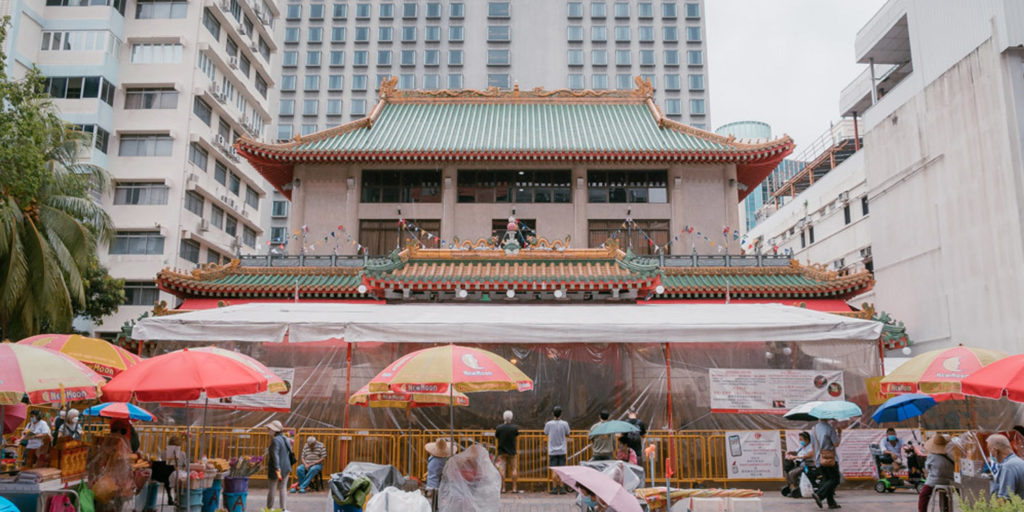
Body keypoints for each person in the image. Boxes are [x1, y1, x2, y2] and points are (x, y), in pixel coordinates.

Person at [918, 434, 954, 512]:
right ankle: (946, 510)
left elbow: (927, 467)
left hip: (935, 480)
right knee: (945, 495)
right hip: (950, 480)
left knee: (924, 495)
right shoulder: (951, 454)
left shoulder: (932, 456)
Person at [811, 418, 841, 509]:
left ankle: (831, 503)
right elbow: (836, 444)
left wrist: (815, 459)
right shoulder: (830, 428)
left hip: (819, 458)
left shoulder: (813, 429)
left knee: (827, 480)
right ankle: (819, 495)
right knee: (835, 479)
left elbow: (813, 445)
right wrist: (839, 434)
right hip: (830, 459)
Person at [987, 433, 1024, 500]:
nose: (990, 454)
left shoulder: (1007, 467)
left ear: (995, 451)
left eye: (989, 450)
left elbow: (1004, 499)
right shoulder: (1019, 461)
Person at [266, 420, 294, 511]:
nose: (269, 430)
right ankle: (283, 508)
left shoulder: (275, 440)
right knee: (283, 488)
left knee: (272, 489)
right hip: (286, 467)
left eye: (270, 429)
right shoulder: (285, 438)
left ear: (274, 430)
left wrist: (277, 467)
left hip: (276, 468)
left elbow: (275, 455)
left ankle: (269, 508)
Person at [544, 405, 571, 495]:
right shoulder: (565, 424)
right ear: (561, 414)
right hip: (562, 450)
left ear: (553, 413)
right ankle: (562, 488)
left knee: (554, 470)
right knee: (562, 470)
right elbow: (568, 433)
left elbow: (546, 432)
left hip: (552, 450)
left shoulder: (549, 424)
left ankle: (555, 488)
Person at [782, 431, 815, 498]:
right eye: (800, 439)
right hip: (798, 464)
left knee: (792, 473)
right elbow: (796, 452)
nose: (800, 441)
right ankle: (791, 486)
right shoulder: (802, 446)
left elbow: (807, 455)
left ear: (807, 439)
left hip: (807, 465)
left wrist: (796, 457)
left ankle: (794, 488)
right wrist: (790, 453)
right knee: (787, 470)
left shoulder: (811, 447)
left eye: (801, 439)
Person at [424, 437, 454, 511]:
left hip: (430, 485)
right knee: (435, 506)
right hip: (435, 487)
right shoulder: (441, 461)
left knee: (431, 506)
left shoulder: (433, 458)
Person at [494, 410, 520, 493]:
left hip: (502, 451)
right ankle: (514, 488)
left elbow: (496, 436)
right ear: (511, 417)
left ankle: (503, 488)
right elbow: (516, 435)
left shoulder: (499, 428)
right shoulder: (515, 428)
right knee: (514, 469)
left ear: (503, 417)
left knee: (502, 470)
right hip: (512, 451)